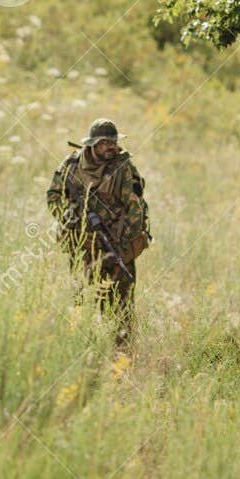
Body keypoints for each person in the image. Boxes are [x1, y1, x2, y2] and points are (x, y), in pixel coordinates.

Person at [46, 119, 150, 327]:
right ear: (93, 144)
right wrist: (68, 215)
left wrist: (122, 245)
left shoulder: (123, 168)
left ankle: (123, 354)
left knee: (121, 309)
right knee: (81, 305)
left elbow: (136, 209)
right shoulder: (71, 165)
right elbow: (54, 196)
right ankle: (86, 351)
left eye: (113, 141)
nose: (111, 146)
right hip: (81, 247)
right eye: (105, 142)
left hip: (116, 247)